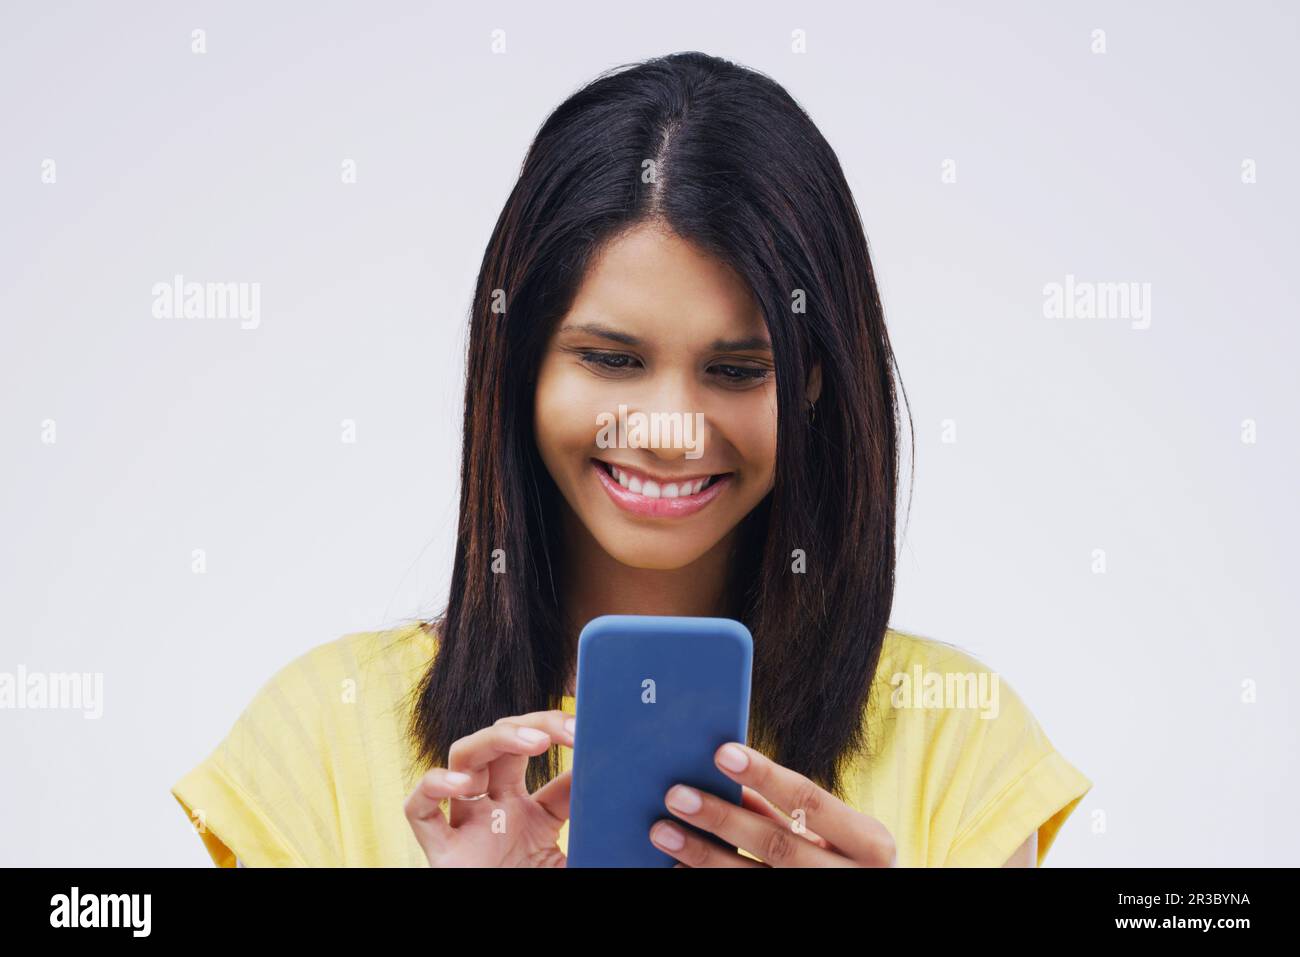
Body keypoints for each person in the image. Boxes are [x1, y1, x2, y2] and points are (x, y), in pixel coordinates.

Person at [171, 51, 1091, 868]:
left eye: (738, 369)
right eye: (611, 359)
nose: (671, 430)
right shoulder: (317, 738)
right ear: (520, 364)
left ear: (813, 385)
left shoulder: (958, 742)